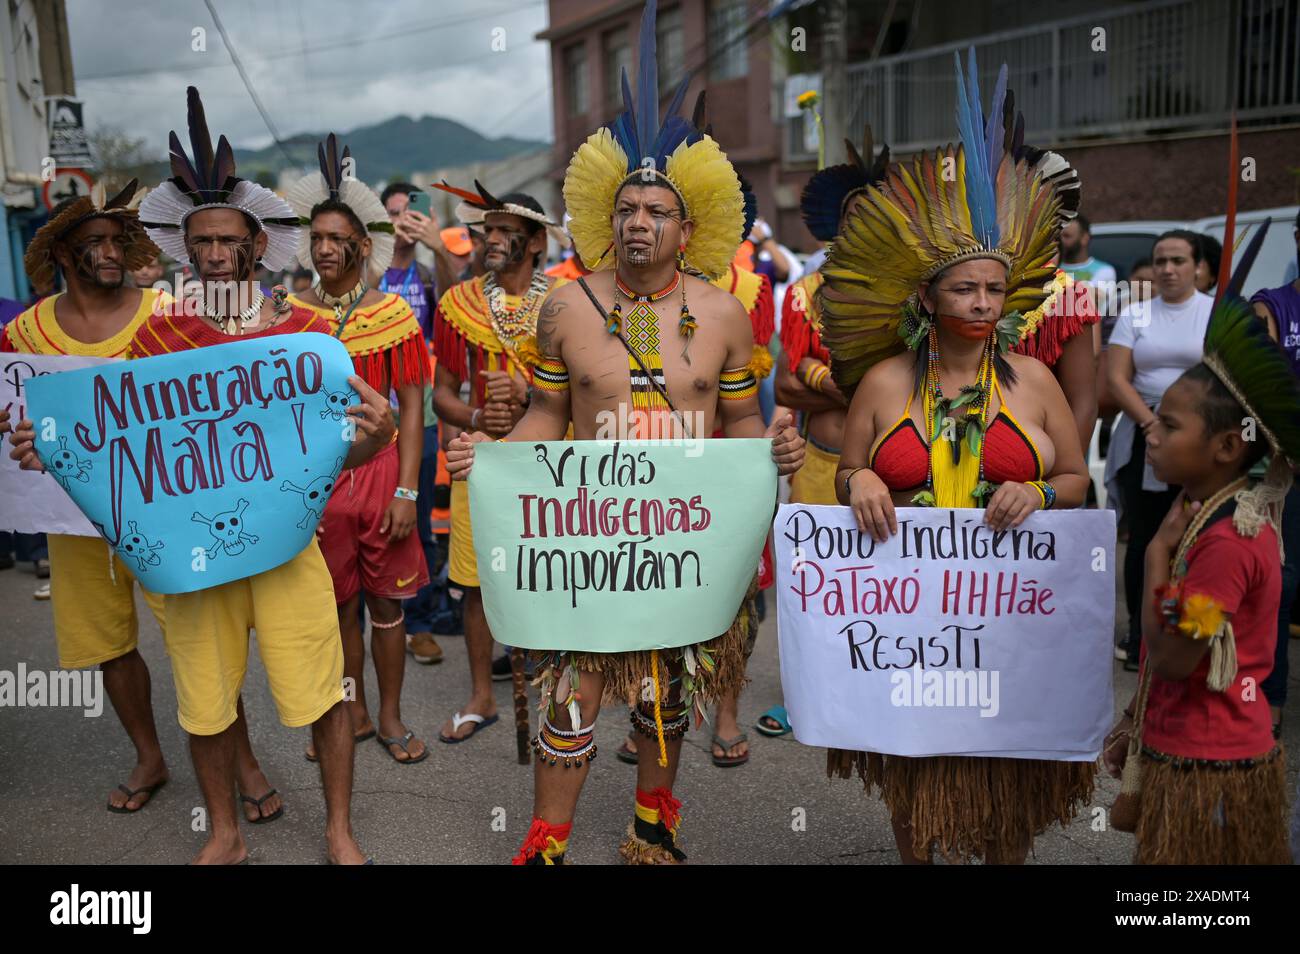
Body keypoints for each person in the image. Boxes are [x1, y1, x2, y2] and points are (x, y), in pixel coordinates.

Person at [446, 0, 804, 864]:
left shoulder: (724, 314)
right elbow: (546, 414)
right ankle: (547, 841)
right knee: (570, 694)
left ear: (689, 228)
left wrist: (771, 455)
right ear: (607, 220)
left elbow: (742, 419)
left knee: (663, 697)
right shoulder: (566, 307)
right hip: (588, 534)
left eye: (657, 211)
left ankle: (653, 827)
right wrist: (491, 457)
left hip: (683, 536)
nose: (639, 221)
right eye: (627, 208)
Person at [9, 88, 393, 864]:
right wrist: (52, 449)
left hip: (287, 548)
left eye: (228, 240)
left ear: (258, 245)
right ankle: (224, 833)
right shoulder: (155, 340)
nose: (215, 254)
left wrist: (376, 440)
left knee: (322, 690)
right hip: (195, 559)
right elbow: (121, 445)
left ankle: (339, 830)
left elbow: (336, 455)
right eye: (201, 242)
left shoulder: (310, 334)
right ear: (184, 250)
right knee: (206, 699)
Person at [821, 50, 1093, 864]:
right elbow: (847, 470)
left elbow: (1078, 480)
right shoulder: (883, 381)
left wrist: (1041, 495)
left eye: (994, 289)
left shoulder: (1035, 381)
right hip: (912, 622)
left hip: (1008, 618)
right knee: (917, 768)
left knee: (1002, 774)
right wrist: (859, 477)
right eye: (965, 288)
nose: (982, 302)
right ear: (926, 296)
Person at [2, 182, 283, 818]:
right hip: (73, 520)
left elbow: (216, 396)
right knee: (107, 642)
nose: (110, 253)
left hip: (165, 515)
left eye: (116, 241)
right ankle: (148, 756)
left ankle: (244, 762)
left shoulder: (168, 313)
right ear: (62, 254)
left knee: (202, 642)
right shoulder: (23, 333)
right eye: (93, 243)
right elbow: (10, 407)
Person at [1102, 299, 1297, 864]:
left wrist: (1156, 557)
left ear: (1228, 447)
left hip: (1210, 762)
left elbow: (1175, 658)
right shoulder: (1207, 515)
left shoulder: (1228, 542)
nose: (1152, 434)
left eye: (1169, 424)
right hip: (1192, 747)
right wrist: (1134, 717)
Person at [287, 136, 432, 765]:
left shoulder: (393, 315)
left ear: (363, 245)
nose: (324, 248)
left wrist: (406, 490)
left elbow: (413, 409)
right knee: (339, 605)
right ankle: (355, 711)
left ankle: (392, 716)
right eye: (316, 237)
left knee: (387, 605)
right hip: (318, 482)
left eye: (337, 238)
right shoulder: (288, 317)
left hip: (380, 475)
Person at [430, 180, 570, 744]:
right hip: (483, 460)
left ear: (536, 243)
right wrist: (475, 416)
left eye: (505, 231)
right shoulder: (458, 304)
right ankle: (481, 696)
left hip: (549, 460)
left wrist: (529, 391)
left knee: (551, 575)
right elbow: (441, 394)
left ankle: (556, 690)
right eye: (487, 230)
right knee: (477, 582)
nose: (490, 239)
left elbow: (587, 389)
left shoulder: (566, 302)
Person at [1105, 230, 1214, 668]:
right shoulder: (1135, 314)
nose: (1167, 269)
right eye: (1160, 260)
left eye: (1178, 260)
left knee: (1200, 534)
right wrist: (1152, 425)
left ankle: (1194, 635)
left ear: (1198, 266)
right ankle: (1140, 637)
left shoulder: (1216, 312)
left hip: (1202, 440)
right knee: (1146, 537)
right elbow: (1116, 378)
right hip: (1144, 435)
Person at [1250, 207, 1300, 740]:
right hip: (1286, 467)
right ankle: (1272, 698)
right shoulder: (1271, 307)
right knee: (1281, 585)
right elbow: (1257, 384)